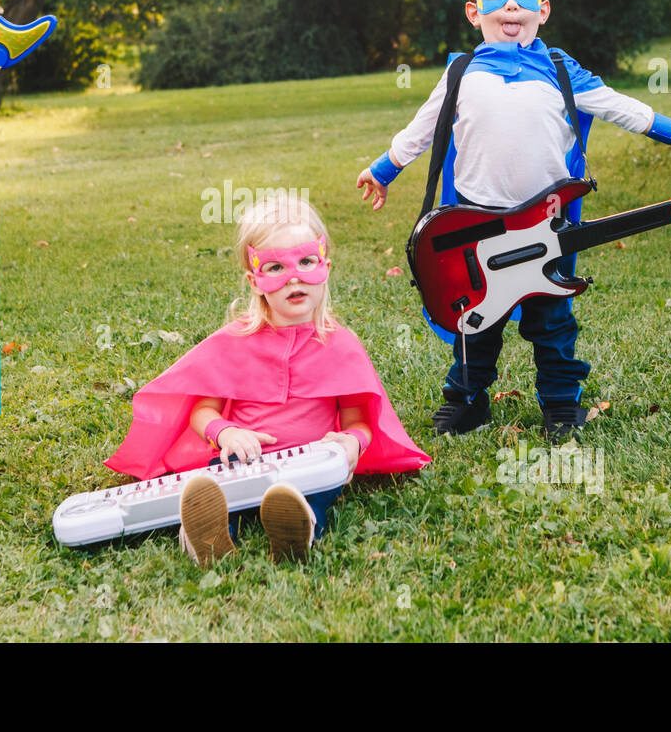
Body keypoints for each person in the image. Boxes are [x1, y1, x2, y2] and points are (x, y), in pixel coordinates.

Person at [356, 0, 671, 441]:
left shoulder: (563, 71)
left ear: (542, 10)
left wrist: (670, 130)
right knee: (475, 324)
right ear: (474, 10)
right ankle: (466, 402)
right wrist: (382, 169)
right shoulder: (460, 73)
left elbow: (615, 105)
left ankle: (562, 405)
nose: (511, 4)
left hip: (550, 225)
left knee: (552, 319)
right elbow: (420, 130)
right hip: (473, 226)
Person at [105, 196, 430, 566]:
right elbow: (202, 412)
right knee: (215, 488)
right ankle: (206, 537)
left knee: (312, 494)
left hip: (309, 465)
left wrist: (353, 443)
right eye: (276, 266)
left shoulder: (339, 344)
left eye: (306, 262)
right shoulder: (234, 342)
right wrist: (225, 433)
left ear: (324, 265)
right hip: (240, 462)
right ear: (255, 281)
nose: (294, 277)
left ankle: (296, 530)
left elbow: (358, 419)